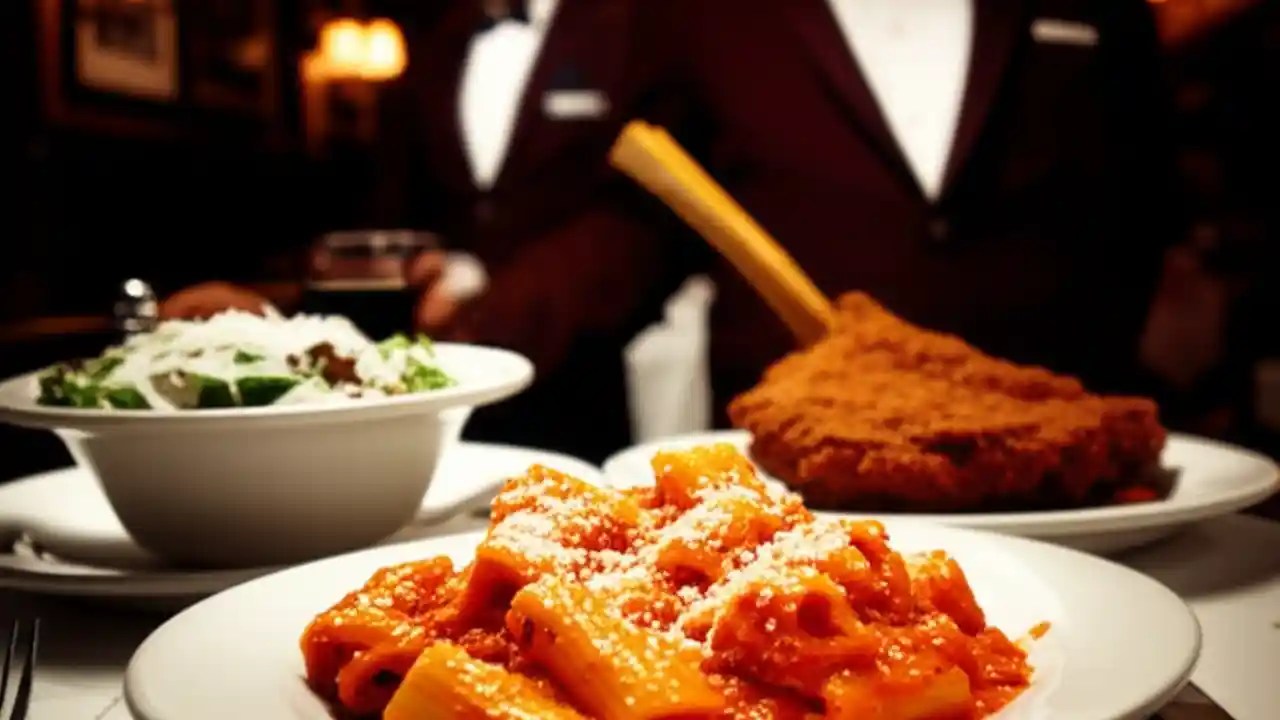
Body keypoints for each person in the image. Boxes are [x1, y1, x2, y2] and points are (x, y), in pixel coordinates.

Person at [164, 0, 683, 462]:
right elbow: (388, 218)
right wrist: (266, 323)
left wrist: (479, 296)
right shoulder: (436, 37)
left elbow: (640, 224)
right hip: (430, 411)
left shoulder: (636, 27)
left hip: (570, 397)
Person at [639, 0, 1184, 414]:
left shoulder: (1101, 10)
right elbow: (639, 218)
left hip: (1069, 435)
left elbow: (1147, 189)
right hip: (779, 442)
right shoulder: (698, 13)